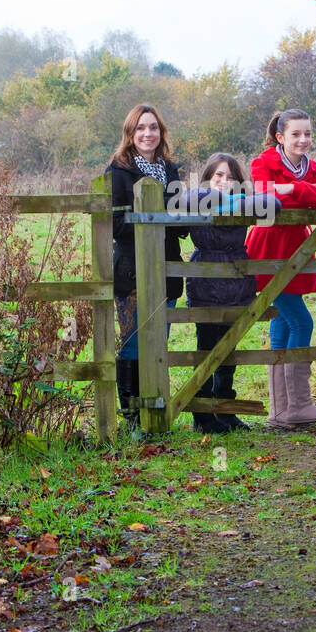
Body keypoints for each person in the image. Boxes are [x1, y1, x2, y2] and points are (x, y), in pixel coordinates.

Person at [246, 108, 316, 430]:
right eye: (296, 134)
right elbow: (266, 198)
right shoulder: (263, 163)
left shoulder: (311, 167)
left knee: (284, 321)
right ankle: (297, 405)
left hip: (298, 249)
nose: (303, 139)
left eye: (307, 133)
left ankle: (281, 412)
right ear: (280, 136)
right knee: (301, 321)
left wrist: (292, 189)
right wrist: (297, 194)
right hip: (271, 248)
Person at [181, 154, 281, 433]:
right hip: (205, 282)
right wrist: (226, 199)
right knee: (206, 348)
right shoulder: (196, 198)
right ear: (207, 178)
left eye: (230, 177)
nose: (224, 181)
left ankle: (226, 411)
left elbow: (274, 204)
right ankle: (202, 415)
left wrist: (235, 200)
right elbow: (186, 198)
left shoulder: (243, 201)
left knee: (229, 351)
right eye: (218, 176)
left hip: (237, 281)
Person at [105, 104, 187, 433]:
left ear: (161, 133)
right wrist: (156, 217)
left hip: (167, 268)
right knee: (133, 344)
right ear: (130, 133)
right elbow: (115, 225)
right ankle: (132, 417)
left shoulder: (171, 170)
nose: (147, 133)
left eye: (153, 127)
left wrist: (170, 216)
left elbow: (183, 223)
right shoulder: (118, 172)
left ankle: (155, 415)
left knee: (159, 343)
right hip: (132, 271)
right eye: (140, 128)